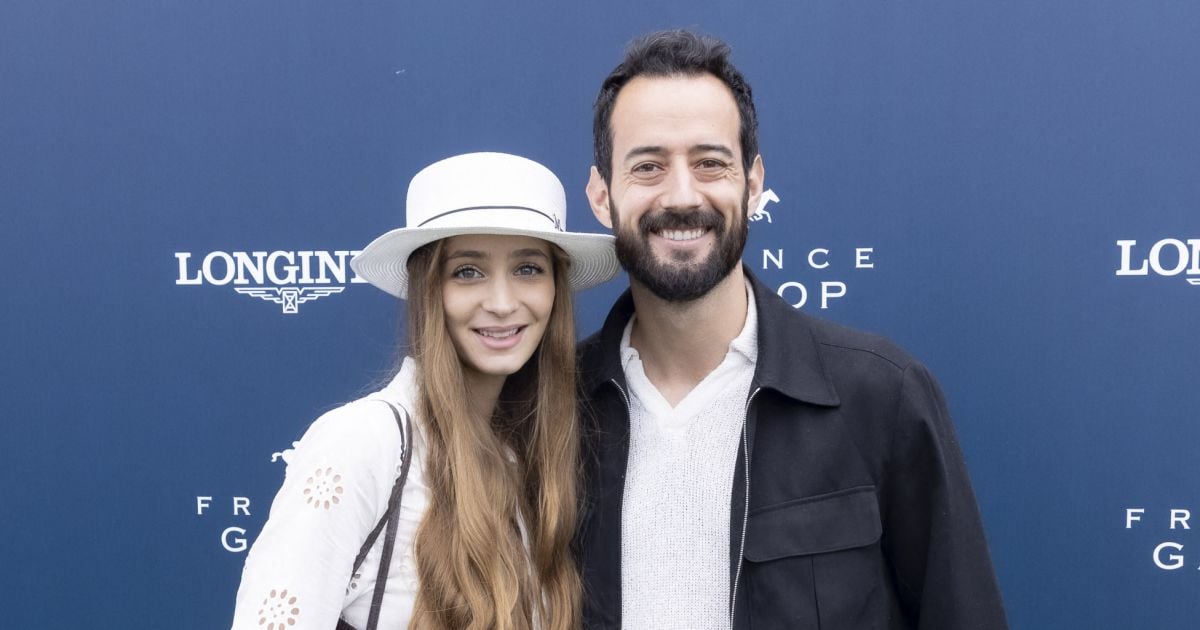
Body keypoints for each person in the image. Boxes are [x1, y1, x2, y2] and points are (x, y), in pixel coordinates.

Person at [575, 31, 1008, 629]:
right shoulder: (551, 409)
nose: (682, 194)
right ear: (602, 194)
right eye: (648, 166)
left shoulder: (880, 396)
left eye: (710, 162)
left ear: (752, 183)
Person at [231, 152, 620, 630]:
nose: (501, 303)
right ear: (428, 288)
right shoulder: (363, 443)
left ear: (555, 288)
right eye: (467, 272)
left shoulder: (532, 458)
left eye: (527, 269)